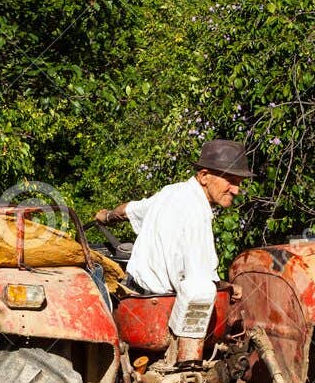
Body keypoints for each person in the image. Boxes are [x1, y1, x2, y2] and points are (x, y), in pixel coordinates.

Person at [95, 139, 253, 363]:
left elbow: (130, 210)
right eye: (231, 180)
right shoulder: (196, 213)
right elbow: (199, 282)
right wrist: (229, 288)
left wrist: (107, 216)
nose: (236, 190)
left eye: (239, 182)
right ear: (204, 176)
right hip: (157, 315)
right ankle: (188, 367)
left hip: (134, 298)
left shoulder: (171, 192)